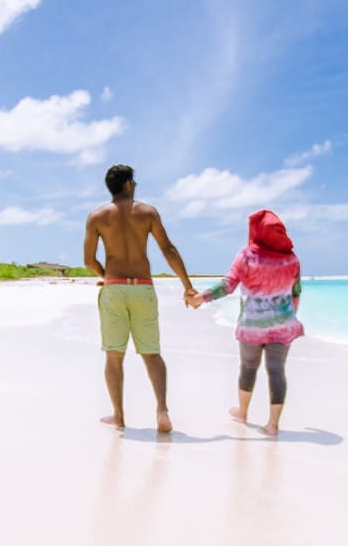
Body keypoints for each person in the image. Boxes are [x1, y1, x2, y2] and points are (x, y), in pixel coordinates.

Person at [83, 163, 198, 434]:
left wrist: (107, 275)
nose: (135, 186)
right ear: (127, 184)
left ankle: (119, 416)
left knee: (114, 356)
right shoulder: (147, 212)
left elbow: (88, 261)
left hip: (114, 289)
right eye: (133, 182)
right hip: (143, 287)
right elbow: (168, 249)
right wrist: (187, 285)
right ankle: (162, 410)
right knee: (152, 354)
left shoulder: (96, 216)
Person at [189, 209, 303, 436]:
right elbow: (296, 293)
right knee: (277, 371)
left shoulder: (246, 256)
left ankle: (242, 412)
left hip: (252, 325)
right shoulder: (292, 260)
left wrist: (202, 298)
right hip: (282, 326)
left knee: (249, 368)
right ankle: (273, 425)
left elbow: (228, 285)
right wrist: (287, 317)